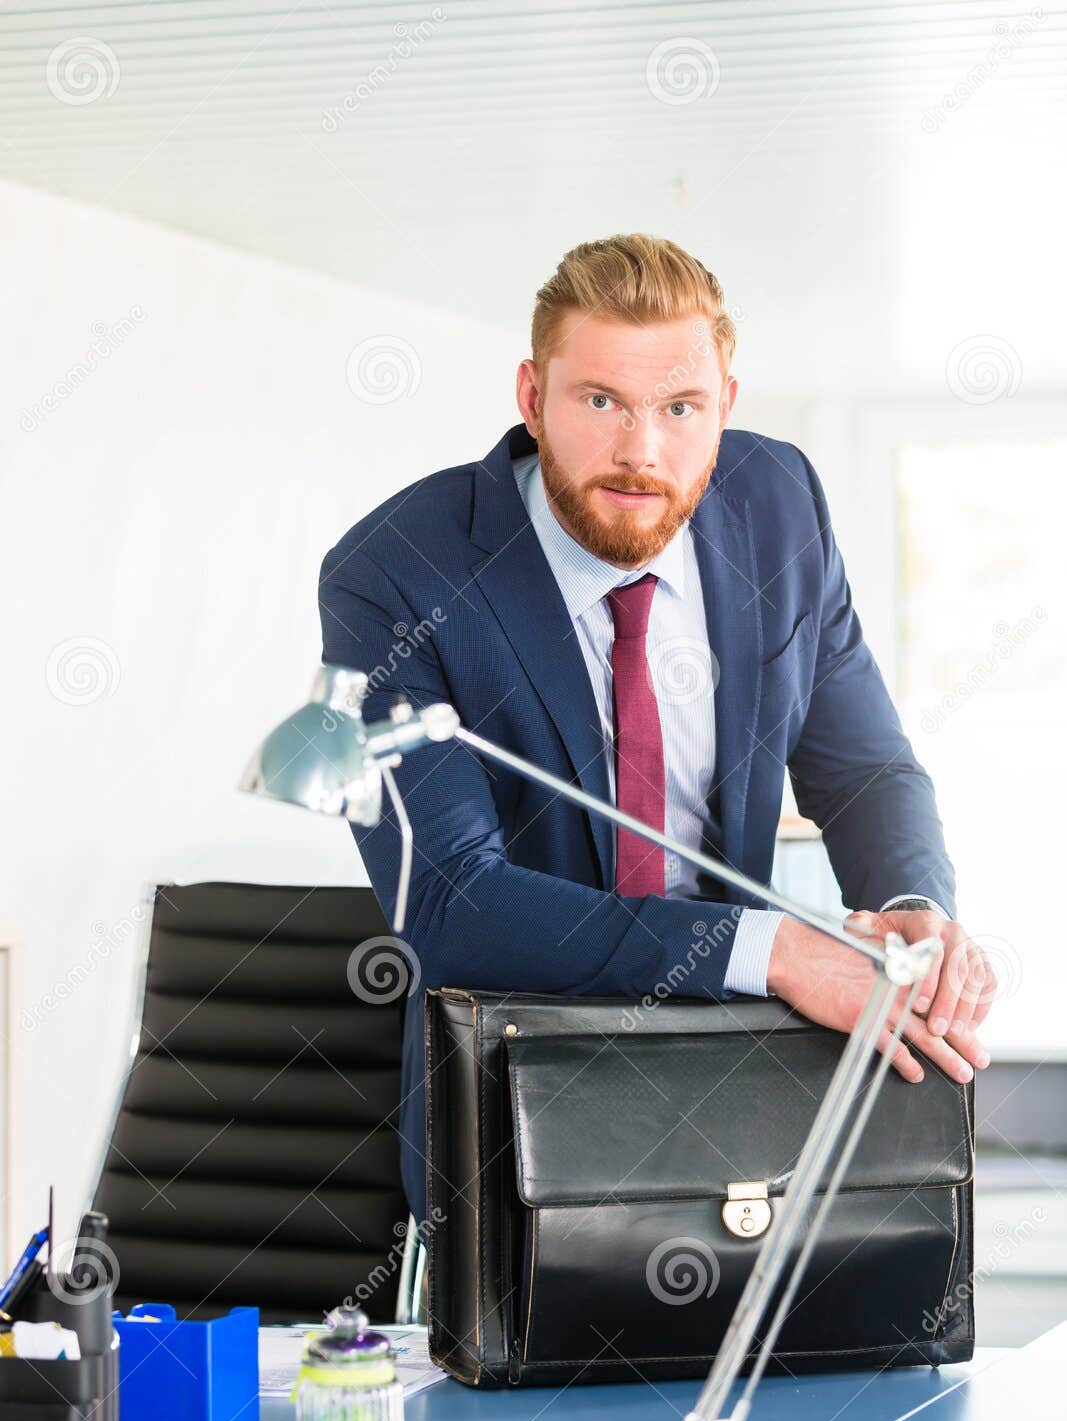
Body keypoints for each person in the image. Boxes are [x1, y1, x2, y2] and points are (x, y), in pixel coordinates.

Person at [319, 233, 995, 1227]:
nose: (641, 450)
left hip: (746, 1116)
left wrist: (913, 905)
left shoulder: (778, 505)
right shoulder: (397, 572)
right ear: (530, 394)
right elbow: (452, 902)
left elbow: (862, 768)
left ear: (722, 403)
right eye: (599, 401)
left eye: (679, 409)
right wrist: (774, 950)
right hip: (514, 1123)